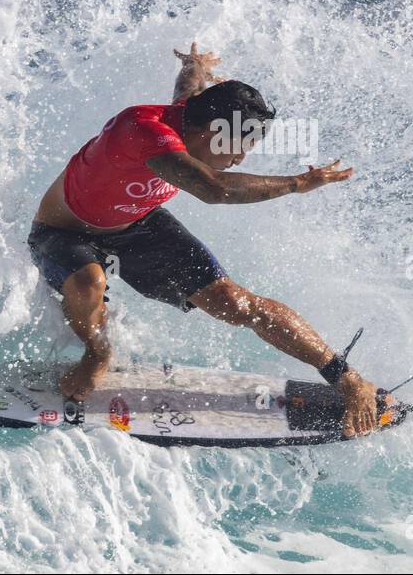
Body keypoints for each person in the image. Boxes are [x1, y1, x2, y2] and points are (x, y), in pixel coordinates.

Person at [29, 42, 392, 437]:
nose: (240, 159)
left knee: (236, 303)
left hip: (137, 224)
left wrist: (195, 64)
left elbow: (191, 90)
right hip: (63, 231)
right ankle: (97, 352)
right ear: (210, 132)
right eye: (239, 147)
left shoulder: (193, 113)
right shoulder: (141, 129)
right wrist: (298, 183)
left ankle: (346, 378)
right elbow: (215, 189)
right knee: (89, 282)